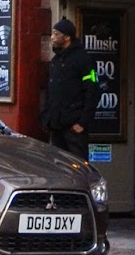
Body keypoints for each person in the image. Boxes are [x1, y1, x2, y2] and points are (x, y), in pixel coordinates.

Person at [40, 17, 99, 157]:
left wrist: (82, 123)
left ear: (67, 37)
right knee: (58, 164)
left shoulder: (83, 59)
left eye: (56, 34)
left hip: (73, 127)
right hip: (56, 126)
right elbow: (50, 91)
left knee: (78, 166)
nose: (52, 37)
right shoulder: (56, 60)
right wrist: (46, 118)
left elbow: (92, 90)